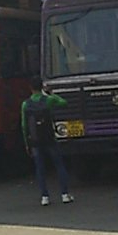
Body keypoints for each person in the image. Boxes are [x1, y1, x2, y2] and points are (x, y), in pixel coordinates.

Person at [21, 78, 73, 206]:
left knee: (40, 168)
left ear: (30, 88)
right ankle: (65, 194)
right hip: (49, 138)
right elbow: (64, 103)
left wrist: (27, 143)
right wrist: (50, 93)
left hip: (35, 140)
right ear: (42, 87)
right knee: (59, 165)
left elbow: (24, 125)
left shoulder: (25, 104)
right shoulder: (48, 100)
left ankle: (45, 197)